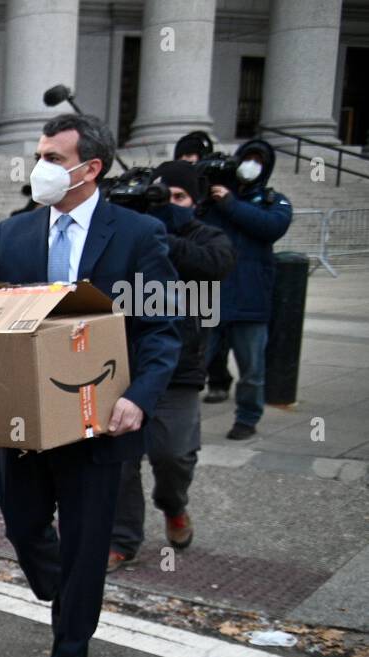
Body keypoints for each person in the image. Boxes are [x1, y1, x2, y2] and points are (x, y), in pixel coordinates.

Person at [0, 114, 180, 657]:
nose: (41, 168)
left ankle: (68, 656)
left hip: (101, 419)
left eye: (54, 158)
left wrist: (139, 399)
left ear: (91, 168)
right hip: (27, 420)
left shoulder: (138, 235)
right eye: (39, 155)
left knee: (87, 540)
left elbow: (162, 330)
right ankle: (66, 587)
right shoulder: (14, 235)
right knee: (20, 519)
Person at [108, 161, 235, 572]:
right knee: (121, 460)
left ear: (194, 203)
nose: (169, 204)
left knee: (173, 455)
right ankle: (122, 539)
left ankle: (173, 504)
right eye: (163, 195)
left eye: (179, 197)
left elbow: (215, 265)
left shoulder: (204, 237)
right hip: (123, 365)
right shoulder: (128, 232)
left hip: (179, 368)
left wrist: (156, 233)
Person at [199, 139, 292, 439]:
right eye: (247, 158)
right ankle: (178, 417)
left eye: (258, 160)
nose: (251, 164)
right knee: (194, 363)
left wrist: (230, 203)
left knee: (252, 370)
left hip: (251, 299)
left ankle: (248, 418)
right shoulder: (211, 200)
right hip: (210, 298)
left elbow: (270, 227)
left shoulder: (271, 201)